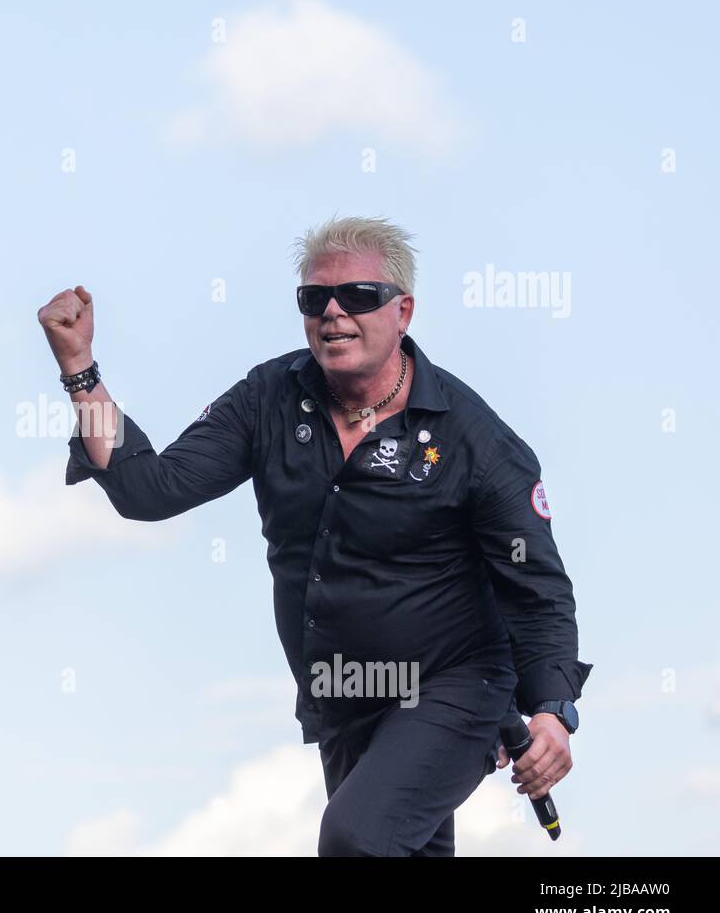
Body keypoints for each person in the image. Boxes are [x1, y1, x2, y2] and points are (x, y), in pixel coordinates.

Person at [36, 216, 592, 856]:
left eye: (357, 296)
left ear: (402, 310)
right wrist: (79, 366)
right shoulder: (268, 397)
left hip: (455, 687)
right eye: (314, 299)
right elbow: (149, 489)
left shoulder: (474, 438)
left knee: (355, 839)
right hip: (344, 695)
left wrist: (552, 708)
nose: (333, 313)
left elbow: (538, 588)